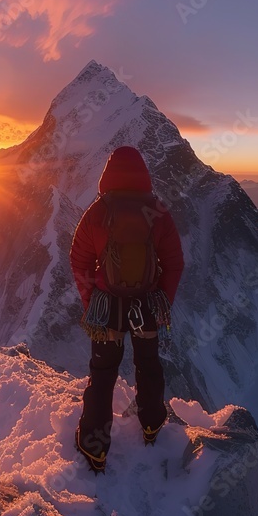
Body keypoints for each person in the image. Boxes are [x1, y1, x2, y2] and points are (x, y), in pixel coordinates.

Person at [69, 146, 184, 474]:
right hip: (146, 305)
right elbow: (174, 262)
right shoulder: (158, 211)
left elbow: (79, 260)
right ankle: (151, 425)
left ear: (108, 175)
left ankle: (95, 447)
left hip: (107, 307)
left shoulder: (96, 212)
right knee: (148, 364)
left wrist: (92, 302)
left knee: (103, 372)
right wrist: (162, 300)